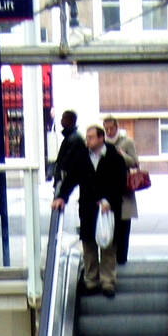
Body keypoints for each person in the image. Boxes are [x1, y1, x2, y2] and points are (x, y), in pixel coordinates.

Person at [53, 122, 127, 298]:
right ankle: (91, 281)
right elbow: (71, 179)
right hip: (88, 208)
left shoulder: (114, 156)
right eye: (87, 137)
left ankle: (108, 282)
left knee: (108, 245)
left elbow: (120, 182)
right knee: (88, 246)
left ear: (101, 138)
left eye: (91, 137)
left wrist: (110, 200)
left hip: (108, 208)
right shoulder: (82, 157)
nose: (88, 140)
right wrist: (62, 196)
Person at [103, 115, 139, 265]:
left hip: (124, 190)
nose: (109, 131)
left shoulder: (126, 142)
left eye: (112, 128)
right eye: (106, 129)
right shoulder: (102, 143)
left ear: (117, 127)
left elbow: (135, 163)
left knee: (124, 225)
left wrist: (122, 155)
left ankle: (122, 257)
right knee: (110, 225)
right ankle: (110, 258)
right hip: (107, 189)